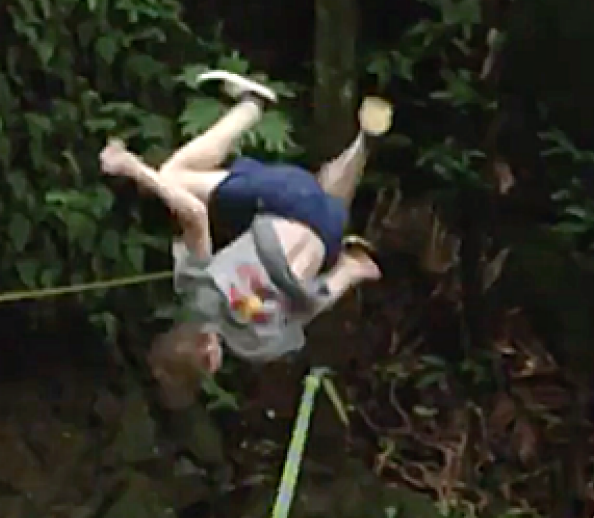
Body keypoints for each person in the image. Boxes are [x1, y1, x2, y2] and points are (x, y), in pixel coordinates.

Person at [99, 70, 393, 409]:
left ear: (211, 365)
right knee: (171, 176)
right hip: (285, 201)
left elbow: (313, 304)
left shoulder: (258, 349)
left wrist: (351, 271)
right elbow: (195, 214)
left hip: (327, 234)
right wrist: (132, 168)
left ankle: (363, 145)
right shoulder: (196, 292)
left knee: (326, 214)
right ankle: (252, 106)